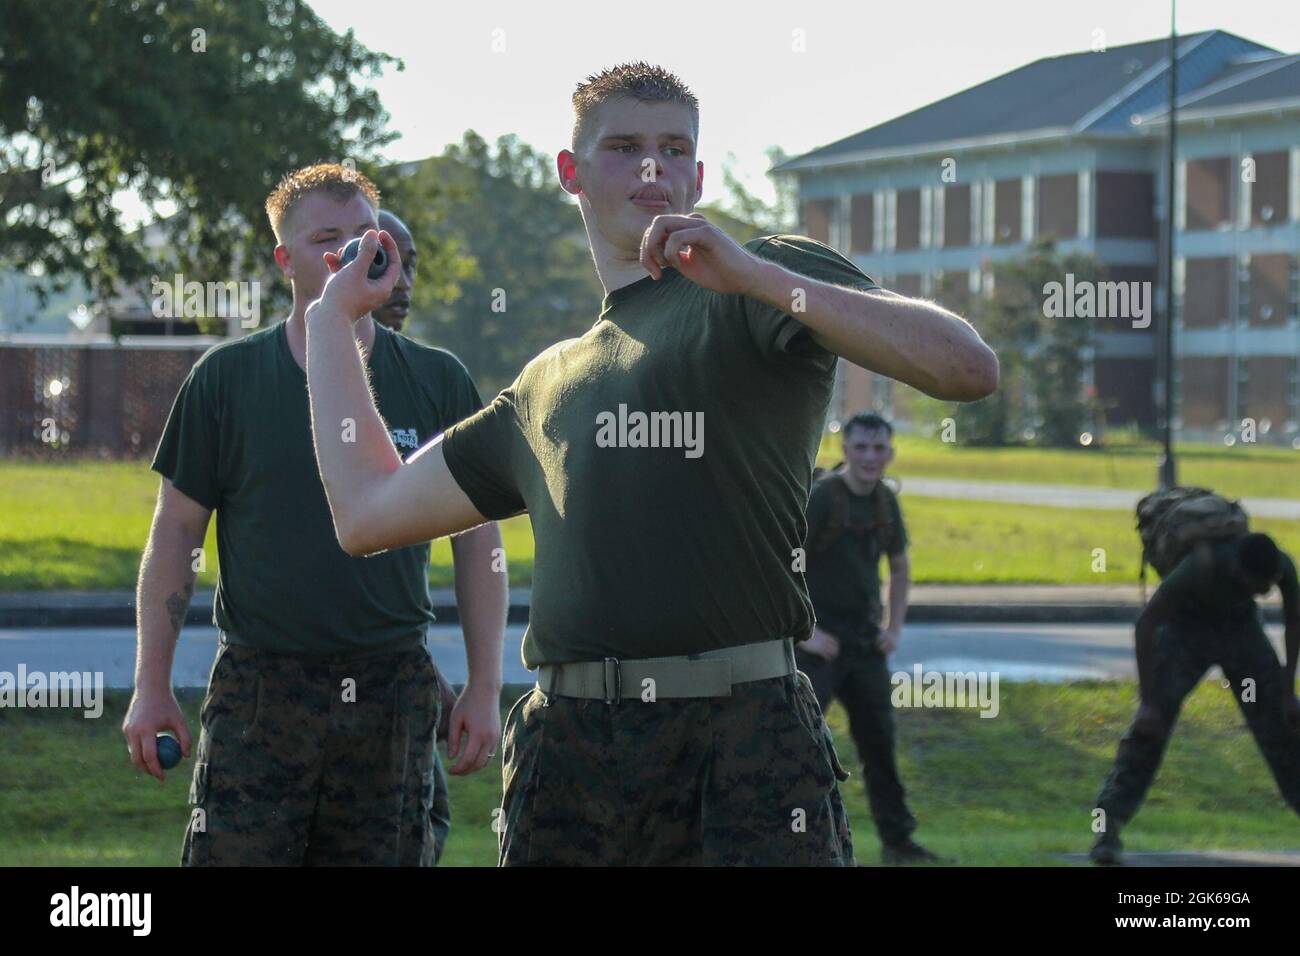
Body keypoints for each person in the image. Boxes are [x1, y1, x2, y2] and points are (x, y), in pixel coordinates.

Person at [303, 63, 998, 866]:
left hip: (742, 746)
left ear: (697, 175)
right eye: (623, 146)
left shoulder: (754, 281)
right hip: (567, 760)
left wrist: (760, 277)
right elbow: (364, 514)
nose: (650, 168)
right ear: (571, 172)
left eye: (673, 150)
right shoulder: (544, 384)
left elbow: (965, 369)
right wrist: (331, 325)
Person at [122, 164, 506, 866]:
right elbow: (175, 536)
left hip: (392, 688)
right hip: (261, 690)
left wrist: (484, 687)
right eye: (328, 238)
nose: (353, 252)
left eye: (365, 235)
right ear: (284, 259)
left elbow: (479, 541)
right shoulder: (226, 379)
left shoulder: (437, 378)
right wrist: (151, 686)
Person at [1091, 532, 1300, 864]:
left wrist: (1288, 692)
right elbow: (1145, 624)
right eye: (1260, 585)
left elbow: (1293, 620)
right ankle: (1108, 828)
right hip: (1186, 634)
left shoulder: (1281, 565)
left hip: (1241, 631)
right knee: (1151, 728)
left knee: (1285, 725)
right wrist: (1147, 702)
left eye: (1270, 584)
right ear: (1238, 572)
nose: (1266, 591)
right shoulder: (1199, 567)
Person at [795, 412, 940, 864]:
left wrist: (893, 628)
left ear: (890, 454)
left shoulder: (884, 501)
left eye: (879, 449)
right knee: (801, 748)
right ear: (845, 450)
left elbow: (899, 567)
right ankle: (797, 844)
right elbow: (783, 562)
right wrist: (804, 633)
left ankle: (898, 844)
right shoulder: (822, 498)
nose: (870, 457)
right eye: (861, 448)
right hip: (821, 649)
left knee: (880, 748)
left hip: (865, 646)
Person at [371, 210, 416, 333]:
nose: (403, 283)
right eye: (381, 262)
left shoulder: (421, 353)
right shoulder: (317, 351)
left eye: (409, 265)